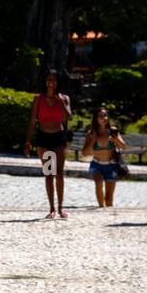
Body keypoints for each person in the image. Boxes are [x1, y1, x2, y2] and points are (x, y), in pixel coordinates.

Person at [24, 68, 72, 218]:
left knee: (59, 173)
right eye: (49, 80)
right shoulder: (38, 99)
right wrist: (28, 141)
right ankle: (51, 209)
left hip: (59, 138)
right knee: (49, 174)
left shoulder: (64, 98)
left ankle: (60, 207)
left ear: (58, 82)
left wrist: (60, 102)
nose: (51, 83)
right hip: (43, 138)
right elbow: (33, 121)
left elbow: (68, 117)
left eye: (54, 80)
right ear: (45, 82)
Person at [81, 106, 127, 208]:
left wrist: (115, 140)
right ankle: (101, 208)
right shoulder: (91, 133)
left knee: (109, 199)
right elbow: (84, 153)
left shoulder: (112, 130)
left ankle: (107, 214)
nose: (104, 118)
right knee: (98, 182)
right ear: (96, 119)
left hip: (111, 165)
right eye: (101, 116)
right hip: (96, 165)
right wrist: (93, 140)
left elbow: (123, 146)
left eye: (105, 115)